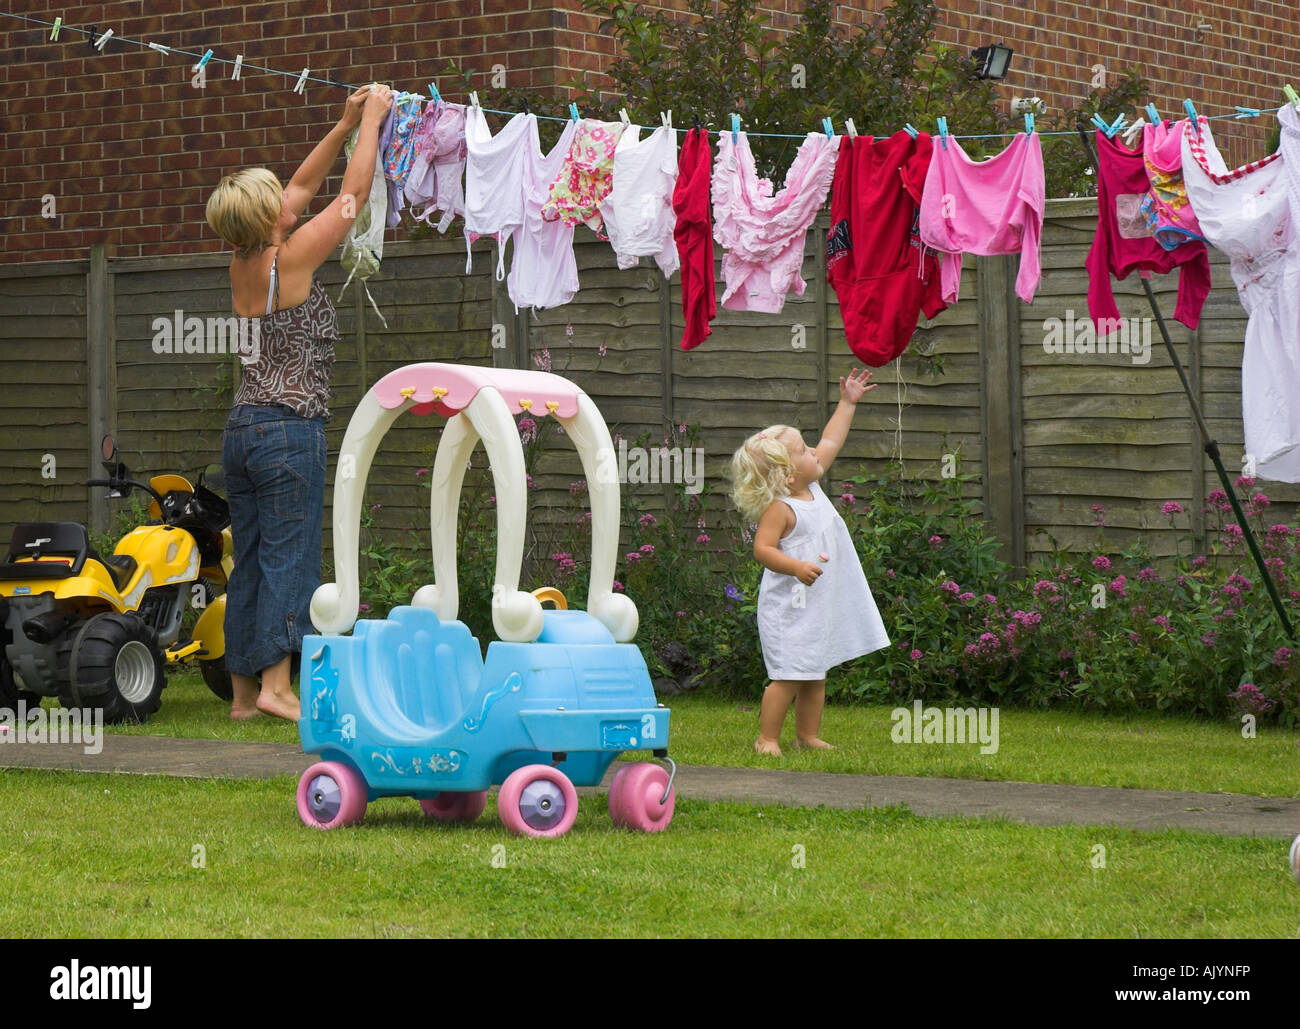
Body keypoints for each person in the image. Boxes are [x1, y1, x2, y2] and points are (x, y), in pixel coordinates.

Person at [204, 83, 393, 720]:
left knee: (252, 558)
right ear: (268, 220)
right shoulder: (294, 258)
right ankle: (278, 688)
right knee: (289, 556)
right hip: (288, 432)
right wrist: (372, 121)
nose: (289, 197)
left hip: (243, 432)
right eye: (277, 198)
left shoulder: (243, 258)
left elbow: (305, 190)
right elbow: (351, 197)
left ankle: (241, 696)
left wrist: (340, 125)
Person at [729, 368, 892, 755]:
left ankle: (807, 735)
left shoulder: (812, 487)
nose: (813, 452)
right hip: (788, 610)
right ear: (786, 475)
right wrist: (796, 567)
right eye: (803, 451)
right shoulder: (782, 509)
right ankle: (767, 738)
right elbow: (763, 551)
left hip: (814, 606)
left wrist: (848, 403)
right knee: (787, 676)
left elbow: (831, 438)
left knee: (814, 674)